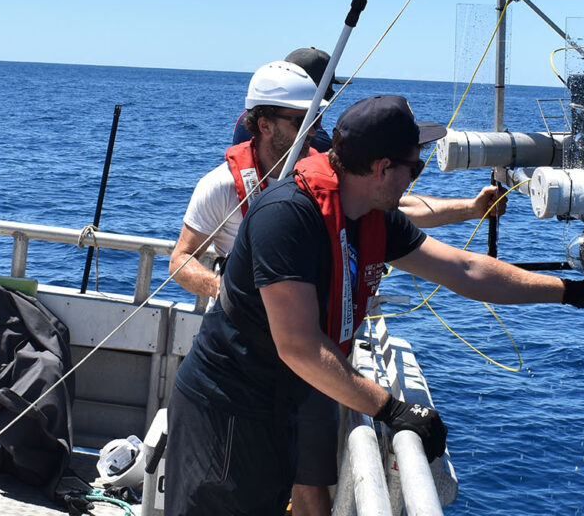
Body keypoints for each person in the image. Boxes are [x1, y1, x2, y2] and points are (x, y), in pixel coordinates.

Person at [164, 94, 584, 516]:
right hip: (227, 410)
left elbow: (463, 270)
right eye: (417, 167)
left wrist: (570, 291)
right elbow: (299, 346)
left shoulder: (371, 216)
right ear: (382, 169)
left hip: (281, 404)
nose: (416, 176)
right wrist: (391, 409)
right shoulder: (286, 216)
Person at [167, 63, 505, 516]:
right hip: (257, 364)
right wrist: (238, 290)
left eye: (317, 118)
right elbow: (181, 260)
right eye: (298, 119)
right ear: (264, 123)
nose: (313, 128)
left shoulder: (325, 175)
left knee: (309, 483)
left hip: (309, 366)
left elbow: (391, 204)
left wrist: (469, 209)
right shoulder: (224, 186)